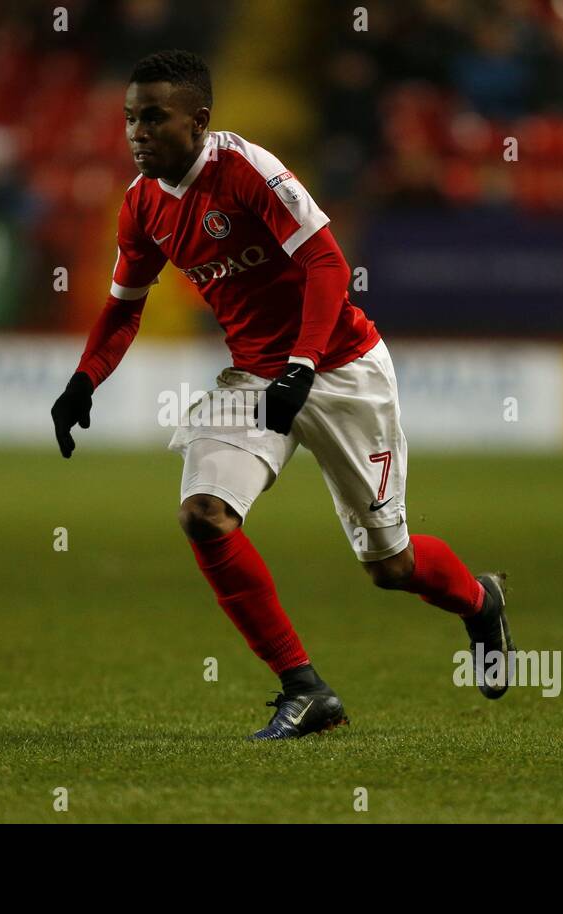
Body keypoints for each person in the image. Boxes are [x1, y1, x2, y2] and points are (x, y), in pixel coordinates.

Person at [52, 50, 515, 740]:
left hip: (342, 368)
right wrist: (83, 379)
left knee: (390, 566)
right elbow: (125, 307)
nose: (137, 133)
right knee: (204, 515)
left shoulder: (246, 171)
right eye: (129, 119)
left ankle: (480, 603)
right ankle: (305, 688)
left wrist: (302, 366)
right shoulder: (143, 206)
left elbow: (328, 263)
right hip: (255, 378)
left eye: (153, 117)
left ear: (199, 121)